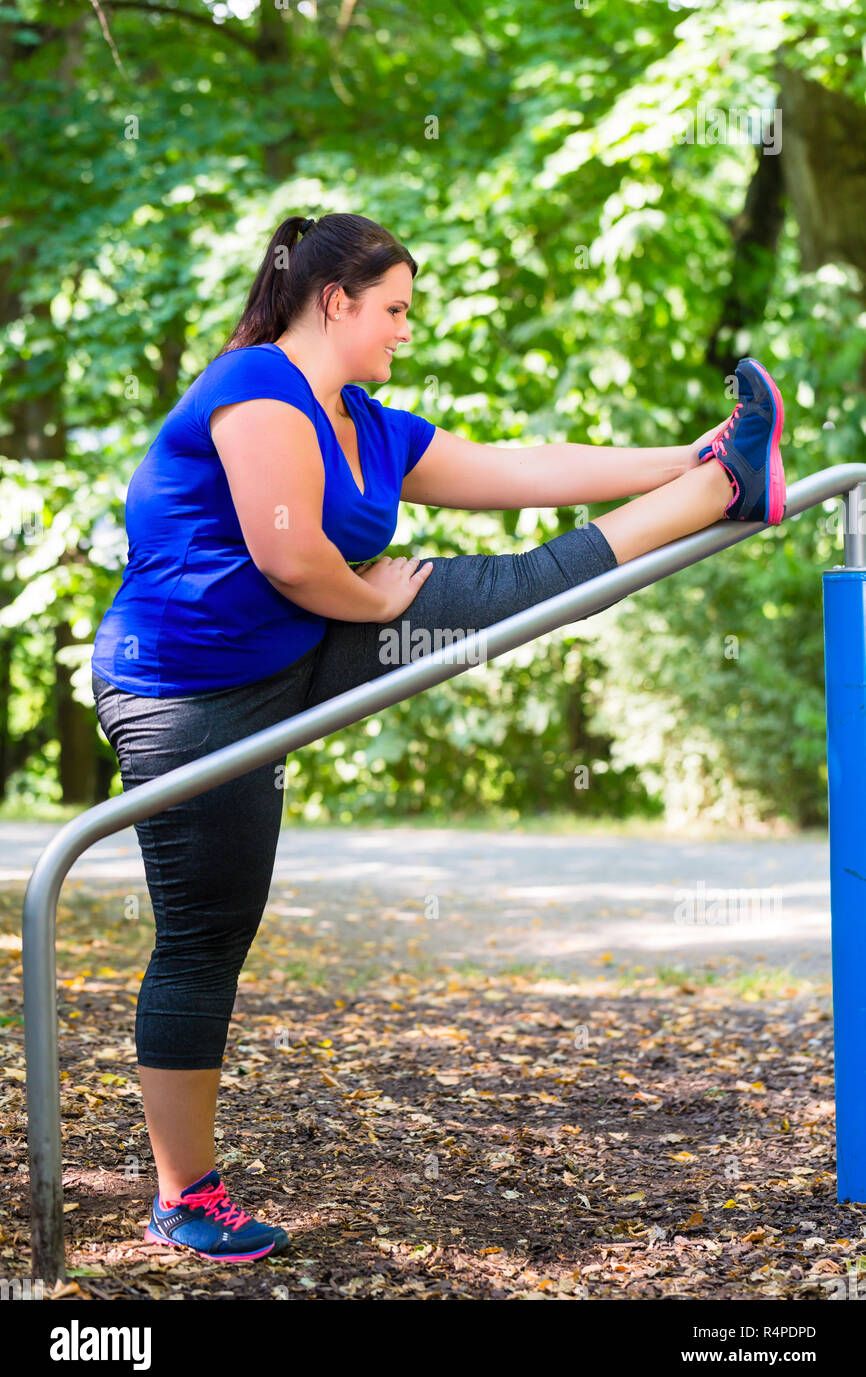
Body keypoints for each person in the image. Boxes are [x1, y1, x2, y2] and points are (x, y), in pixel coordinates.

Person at [90, 211, 786, 1261]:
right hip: (187, 689)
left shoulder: (367, 423)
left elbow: (516, 469)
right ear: (334, 302)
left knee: (506, 593)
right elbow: (289, 554)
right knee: (206, 937)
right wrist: (371, 607)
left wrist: (681, 452)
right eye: (394, 310)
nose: (404, 330)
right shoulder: (255, 391)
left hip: (295, 646)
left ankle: (722, 482)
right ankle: (184, 1193)